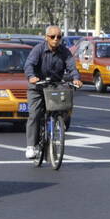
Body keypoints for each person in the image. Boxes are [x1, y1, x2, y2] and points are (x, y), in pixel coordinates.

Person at [23, 25, 80, 158]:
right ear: (46, 37)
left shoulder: (65, 51)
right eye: (52, 37)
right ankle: (31, 145)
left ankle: (58, 127)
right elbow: (29, 65)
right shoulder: (38, 50)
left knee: (64, 107)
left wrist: (76, 79)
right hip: (37, 86)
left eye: (59, 37)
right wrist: (31, 77)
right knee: (35, 114)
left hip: (54, 86)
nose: (55, 39)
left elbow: (72, 67)